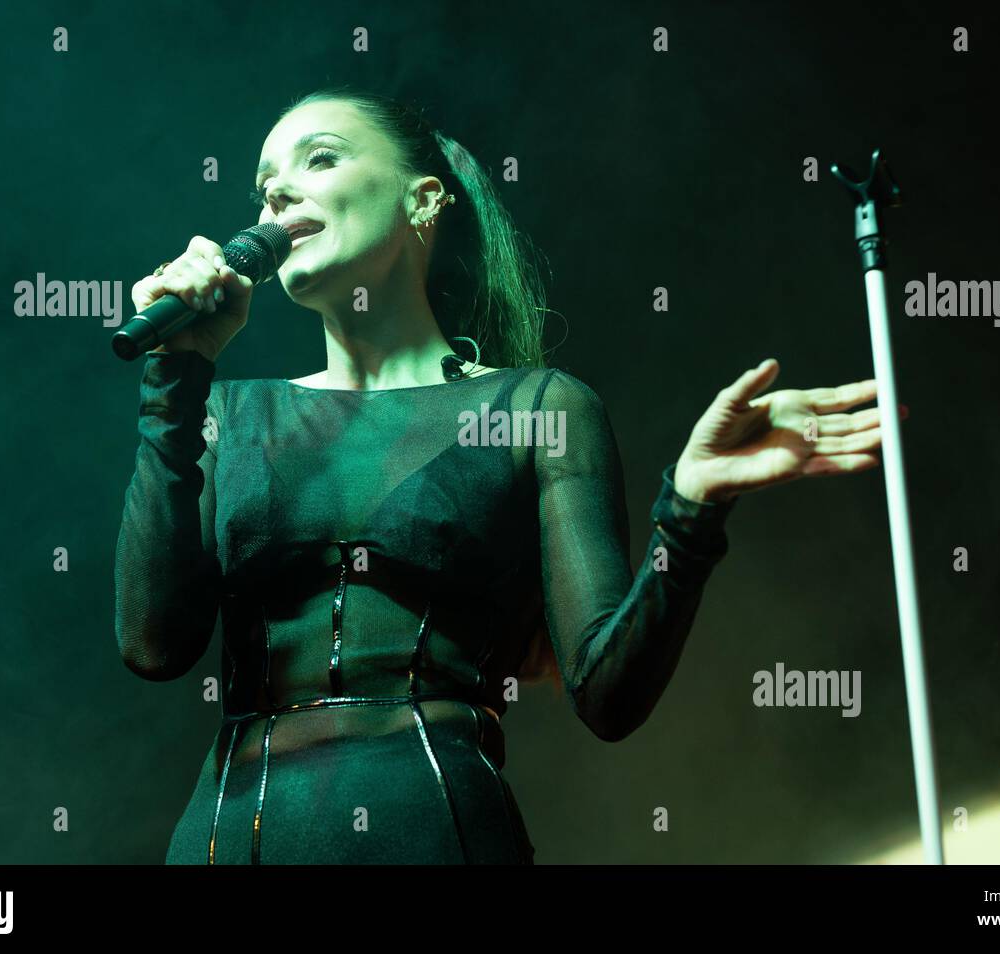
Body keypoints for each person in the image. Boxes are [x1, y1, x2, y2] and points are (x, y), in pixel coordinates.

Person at [114, 86, 893, 864]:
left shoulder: (533, 408)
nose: (277, 190)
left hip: (434, 833)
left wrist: (690, 507)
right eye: (264, 184)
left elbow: (608, 692)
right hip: (230, 839)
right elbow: (154, 645)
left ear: (424, 200)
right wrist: (174, 376)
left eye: (320, 158)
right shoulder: (227, 412)